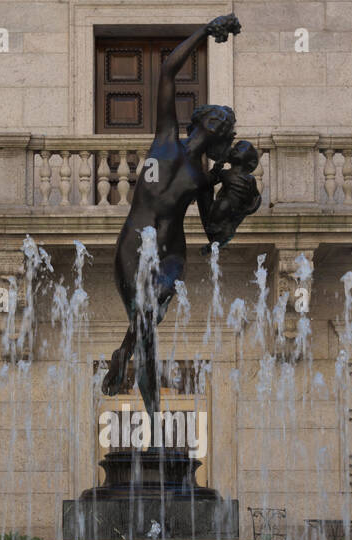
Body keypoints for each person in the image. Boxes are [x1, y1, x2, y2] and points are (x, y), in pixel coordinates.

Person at [100, 14, 244, 417]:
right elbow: (166, 71)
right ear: (208, 127)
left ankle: (134, 377)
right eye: (221, 124)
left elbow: (215, 230)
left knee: (148, 325)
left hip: (168, 255)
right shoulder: (166, 138)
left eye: (225, 128)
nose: (220, 129)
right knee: (143, 324)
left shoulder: (201, 175)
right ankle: (138, 385)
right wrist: (203, 31)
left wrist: (237, 190)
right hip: (136, 243)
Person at [200, 139, 262, 255]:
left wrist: (250, 208)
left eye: (242, 148)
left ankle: (212, 245)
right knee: (223, 205)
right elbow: (210, 180)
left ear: (250, 162)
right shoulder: (224, 173)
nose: (237, 148)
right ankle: (214, 226)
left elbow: (255, 196)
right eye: (237, 147)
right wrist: (218, 165)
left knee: (229, 231)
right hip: (221, 207)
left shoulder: (250, 179)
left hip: (235, 212)